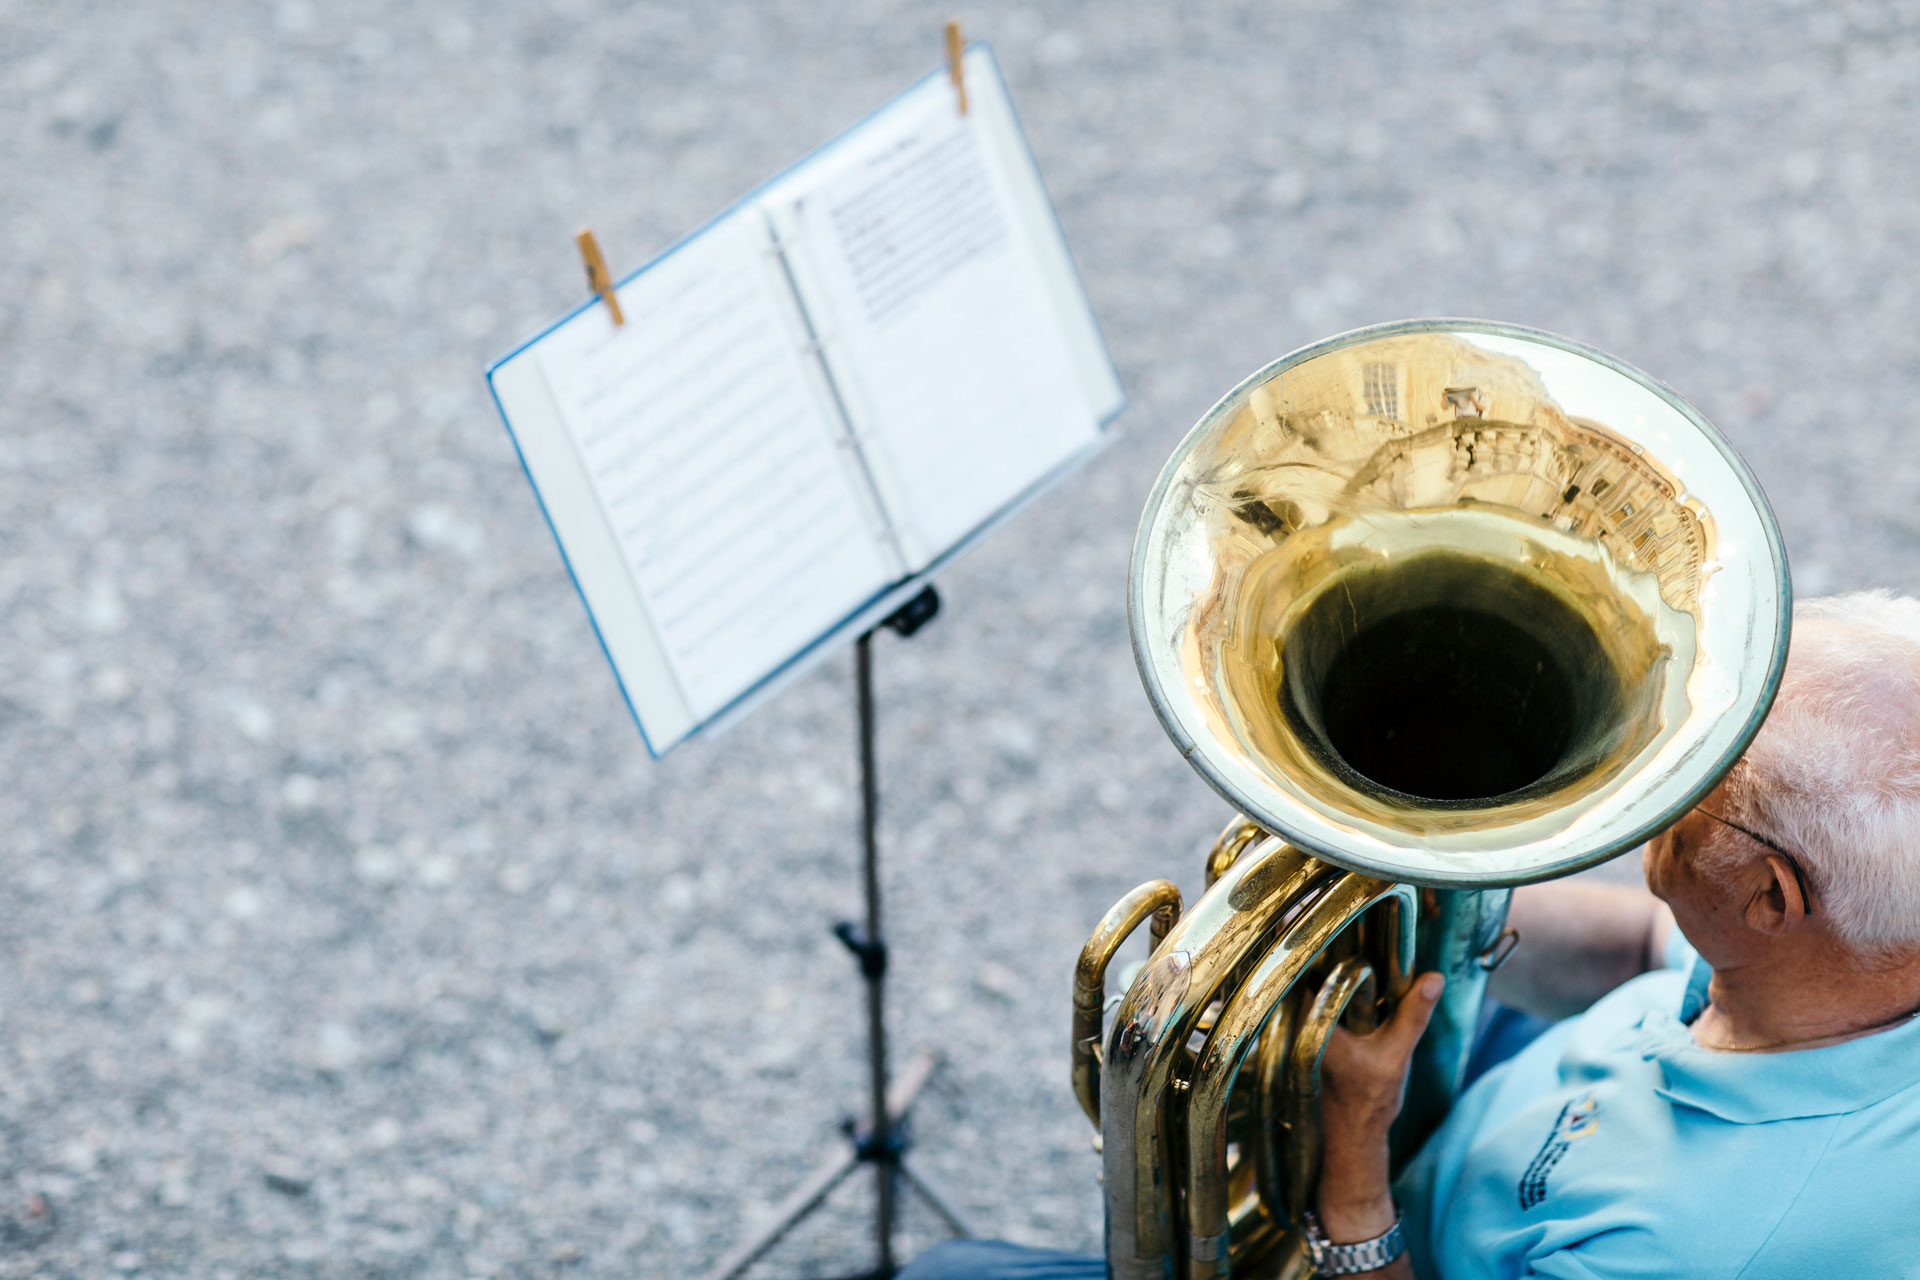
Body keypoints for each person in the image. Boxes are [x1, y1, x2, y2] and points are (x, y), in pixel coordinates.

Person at [901, 591, 1920, 1278]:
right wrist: (1423, 886)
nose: (1667, 781)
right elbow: (1630, 951)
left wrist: (1351, 1149)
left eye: (1708, 780)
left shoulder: (1692, 1246)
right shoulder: (1848, 965)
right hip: (1536, 1114)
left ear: (1775, 899)